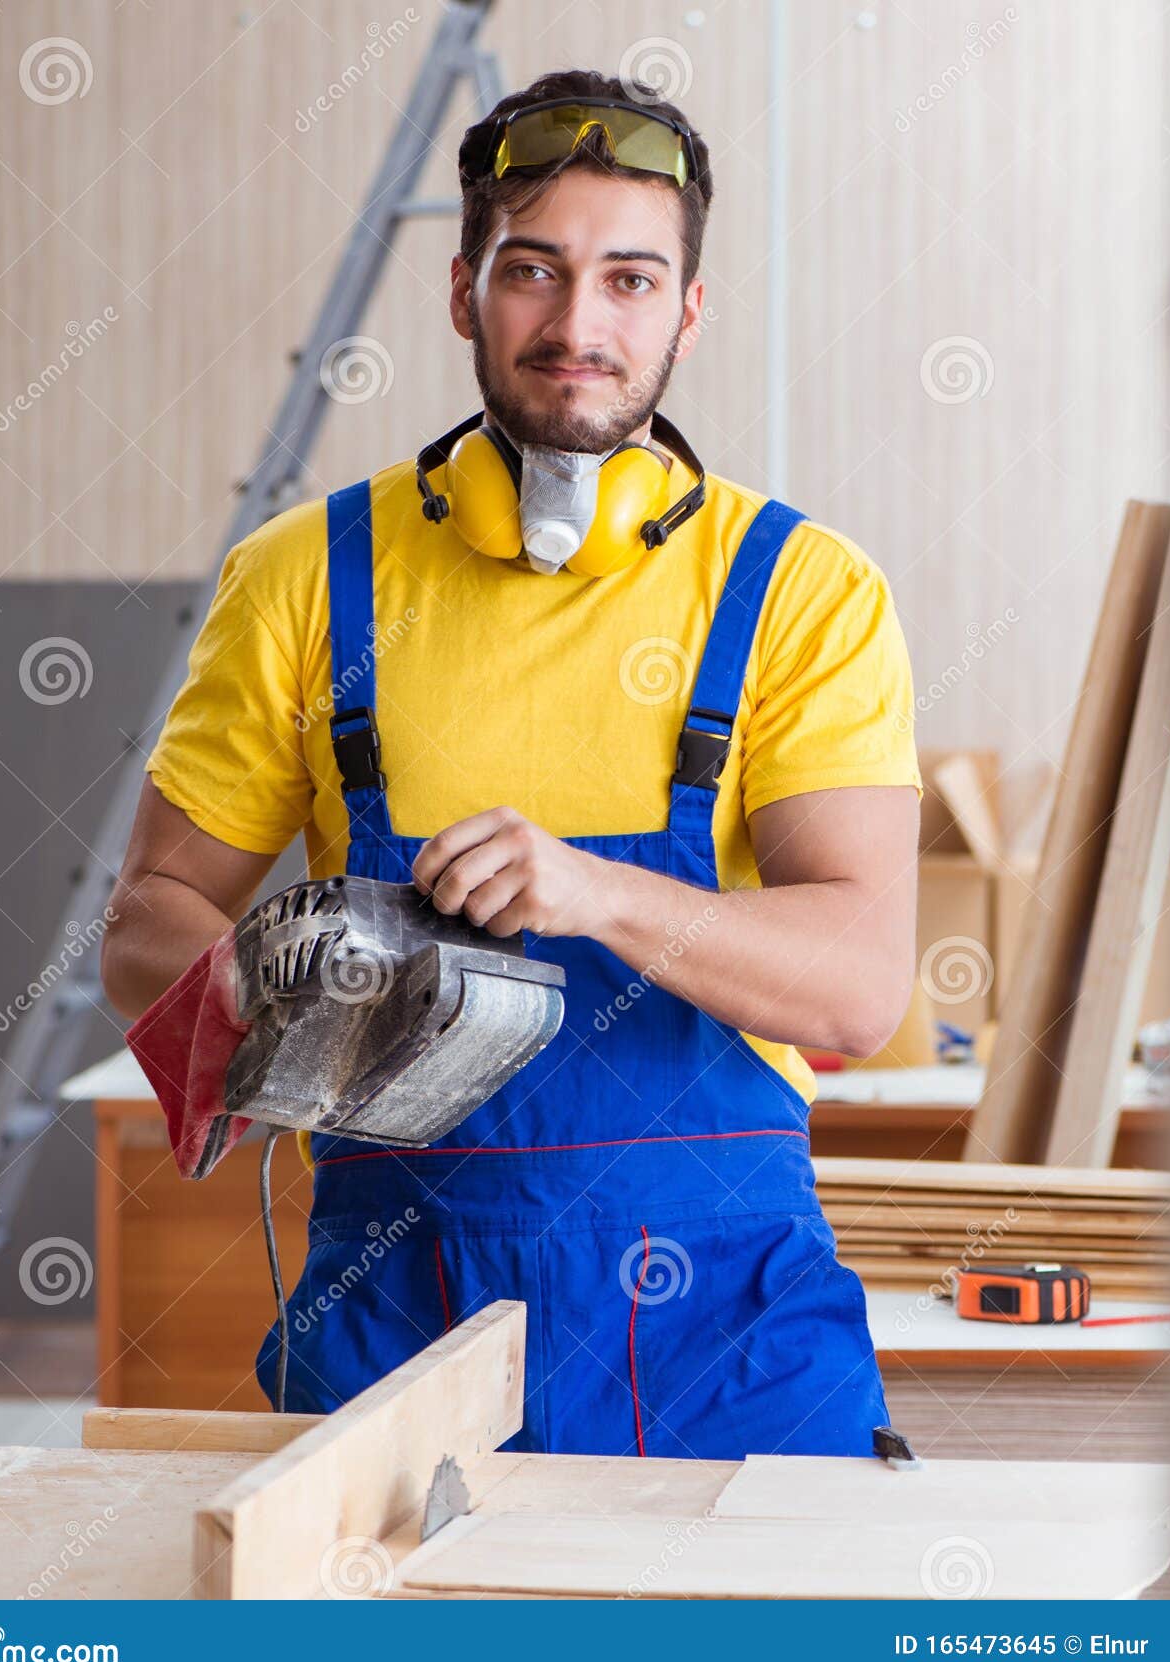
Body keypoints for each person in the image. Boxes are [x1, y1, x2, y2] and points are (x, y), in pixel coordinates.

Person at [103, 68, 924, 1461]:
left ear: (690, 309)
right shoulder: (309, 577)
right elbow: (146, 913)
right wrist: (250, 985)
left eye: (630, 279)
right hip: (397, 1320)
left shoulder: (799, 590)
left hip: (728, 1339)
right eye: (532, 271)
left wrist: (596, 893)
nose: (579, 325)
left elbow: (857, 982)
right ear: (463, 290)